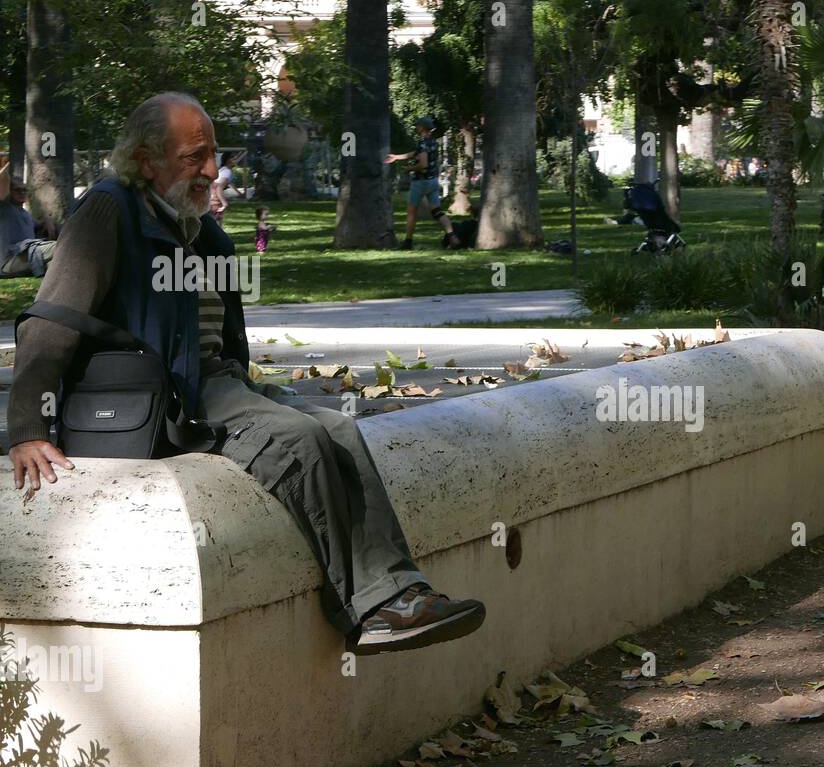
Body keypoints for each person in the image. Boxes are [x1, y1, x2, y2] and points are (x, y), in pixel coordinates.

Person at [6, 92, 486, 656]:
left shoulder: (196, 225)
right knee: (299, 439)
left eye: (212, 154)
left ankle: (402, 593)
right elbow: (50, 320)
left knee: (341, 428)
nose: (211, 170)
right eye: (194, 157)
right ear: (145, 160)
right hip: (167, 397)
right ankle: (372, 607)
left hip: (214, 381)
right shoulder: (109, 210)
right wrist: (28, 429)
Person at [384, 117, 460, 250]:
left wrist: (409, 169)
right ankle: (452, 236)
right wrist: (397, 157)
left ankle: (408, 242)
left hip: (421, 182)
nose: (416, 127)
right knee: (437, 211)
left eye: (418, 125)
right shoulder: (433, 142)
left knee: (411, 211)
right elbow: (416, 153)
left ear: (422, 128)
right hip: (433, 181)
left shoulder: (423, 142)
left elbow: (423, 164)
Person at [0, 175, 58, 278]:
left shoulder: (24, 213)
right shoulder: (4, 209)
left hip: (27, 256)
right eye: (17, 190)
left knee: (59, 260)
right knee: (61, 247)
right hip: (9, 261)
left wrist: (47, 219)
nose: (22, 193)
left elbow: (38, 224)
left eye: (24, 190)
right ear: (9, 191)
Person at [208, 152, 237, 227]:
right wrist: (224, 204)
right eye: (233, 158)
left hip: (210, 199)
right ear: (228, 160)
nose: (236, 160)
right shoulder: (227, 172)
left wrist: (239, 193)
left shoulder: (223, 170)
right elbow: (219, 188)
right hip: (215, 201)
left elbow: (228, 184)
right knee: (217, 226)